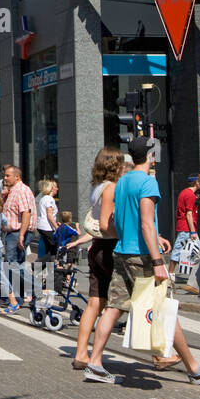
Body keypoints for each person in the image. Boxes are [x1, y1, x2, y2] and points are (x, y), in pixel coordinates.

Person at [84, 139, 200, 385]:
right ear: (151, 155)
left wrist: (143, 237)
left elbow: (118, 220)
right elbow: (146, 221)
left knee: (114, 307)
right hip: (143, 256)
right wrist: (157, 259)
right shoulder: (147, 182)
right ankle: (195, 369)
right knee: (164, 309)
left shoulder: (122, 182)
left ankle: (95, 362)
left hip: (122, 251)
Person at [70, 147, 123, 368]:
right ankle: (159, 354)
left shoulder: (96, 187)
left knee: (94, 302)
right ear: (114, 165)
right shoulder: (110, 188)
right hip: (110, 248)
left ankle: (81, 353)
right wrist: (126, 234)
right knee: (125, 301)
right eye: (120, 163)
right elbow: (104, 224)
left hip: (96, 247)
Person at [1, 166, 36, 310]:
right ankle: (18, 298)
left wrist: (21, 234)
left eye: (8, 175)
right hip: (13, 233)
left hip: (18, 232)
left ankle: (36, 287)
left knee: (10, 264)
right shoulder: (12, 190)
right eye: (4, 175)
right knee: (17, 264)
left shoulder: (21, 190)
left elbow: (26, 213)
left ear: (17, 177)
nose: (5, 178)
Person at [173, 175, 200, 292]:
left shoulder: (185, 193)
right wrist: (193, 231)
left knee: (196, 252)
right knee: (179, 251)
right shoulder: (190, 195)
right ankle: (170, 275)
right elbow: (188, 214)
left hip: (185, 227)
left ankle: (192, 278)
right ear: (196, 183)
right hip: (187, 228)